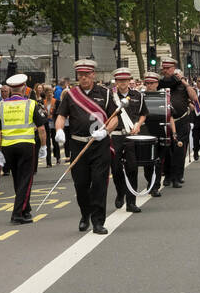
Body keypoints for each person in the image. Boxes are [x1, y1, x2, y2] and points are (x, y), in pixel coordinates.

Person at [56, 59, 117, 234]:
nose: (83, 78)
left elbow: (114, 118)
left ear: (93, 74)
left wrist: (106, 131)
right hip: (77, 144)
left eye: (86, 74)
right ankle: (85, 214)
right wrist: (59, 130)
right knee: (81, 184)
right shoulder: (71, 95)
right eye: (80, 75)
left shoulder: (104, 94)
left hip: (99, 145)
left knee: (99, 183)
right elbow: (61, 115)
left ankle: (98, 221)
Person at [0, 74, 46, 224]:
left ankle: (25, 210)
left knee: (17, 179)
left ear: (10, 89)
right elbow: (41, 128)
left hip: (7, 146)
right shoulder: (31, 104)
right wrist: (44, 146)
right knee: (26, 179)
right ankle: (17, 213)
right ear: (25, 88)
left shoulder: (1, 105)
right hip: (26, 144)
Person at [108, 68, 148, 212]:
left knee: (132, 168)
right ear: (116, 81)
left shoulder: (137, 95)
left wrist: (138, 124)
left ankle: (131, 202)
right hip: (116, 135)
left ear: (129, 80)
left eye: (125, 80)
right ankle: (120, 192)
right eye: (120, 80)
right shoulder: (110, 96)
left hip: (132, 136)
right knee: (117, 169)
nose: (123, 83)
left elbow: (144, 113)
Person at [158, 58, 197, 188]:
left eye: (168, 68)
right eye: (164, 68)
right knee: (167, 150)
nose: (166, 71)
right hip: (165, 122)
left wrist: (184, 82)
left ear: (174, 68)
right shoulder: (160, 83)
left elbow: (194, 98)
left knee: (179, 150)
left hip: (181, 120)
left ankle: (177, 176)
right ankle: (168, 175)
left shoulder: (182, 83)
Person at [140, 72, 172, 197]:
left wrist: (173, 133)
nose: (149, 85)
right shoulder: (140, 96)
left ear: (157, 84)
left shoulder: (164, 96)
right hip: (145, 132)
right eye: (147, 83)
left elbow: (170, 115)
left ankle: (155, 186)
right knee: (147, 161)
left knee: (158, 161)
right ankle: (150, 182)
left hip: (160, 132)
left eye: (152, 83)